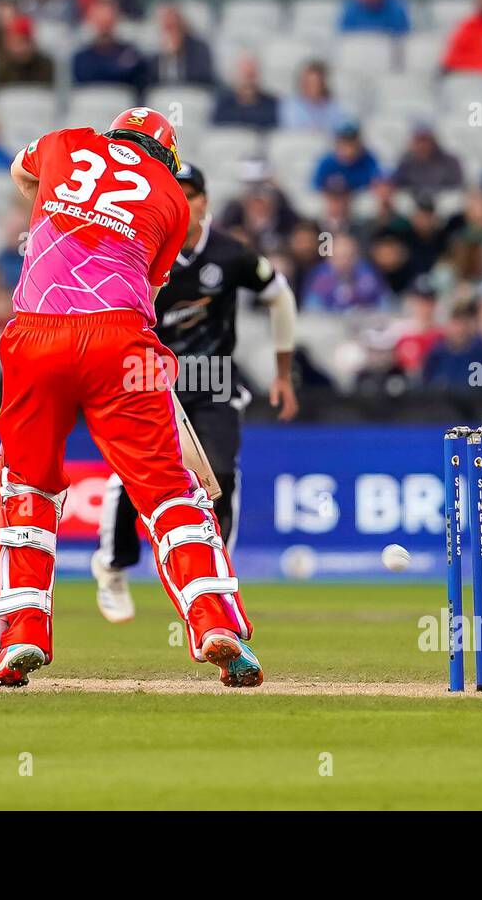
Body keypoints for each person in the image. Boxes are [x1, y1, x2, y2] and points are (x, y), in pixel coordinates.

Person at [0, 106, 262, 688]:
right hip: (123, 343)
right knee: (168, 491)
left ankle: (20, 636)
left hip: (37, 333)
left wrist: (57, 203)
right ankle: (216, 625)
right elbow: (152, 286)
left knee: (26, 486)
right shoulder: (172, 199)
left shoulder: (64, 143)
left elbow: (21, 174)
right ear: (166, 157)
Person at [92, 163, 298, 623]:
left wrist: (282, 372)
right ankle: (113, 566)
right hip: (145, 377)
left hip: (214, 382)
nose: (183, 203)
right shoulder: (138, 250)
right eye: (174, 193)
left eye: (192, 194)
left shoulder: (229, 254)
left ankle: (213, 584)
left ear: (205, 201)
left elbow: (279, 295)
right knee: (134, 478)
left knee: (219, 476)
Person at [280, 61, 349, 133]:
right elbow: (294, 132)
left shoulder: (334, 106)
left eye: (315, 83)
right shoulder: (290, 105)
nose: (310, 87)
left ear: (323, 84)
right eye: (307, 83)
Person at [211, 55, 278, 129]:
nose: (248, 81)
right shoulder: (223, 103)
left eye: (251, 75)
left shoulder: (270, 103)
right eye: (245, 75)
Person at [312, 121, 380, 191]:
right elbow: (315, 187)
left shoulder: (368, 160)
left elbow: (375, 185)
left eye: (351, 142)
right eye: (343, 142)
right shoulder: (327, 162)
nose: (348, 147)